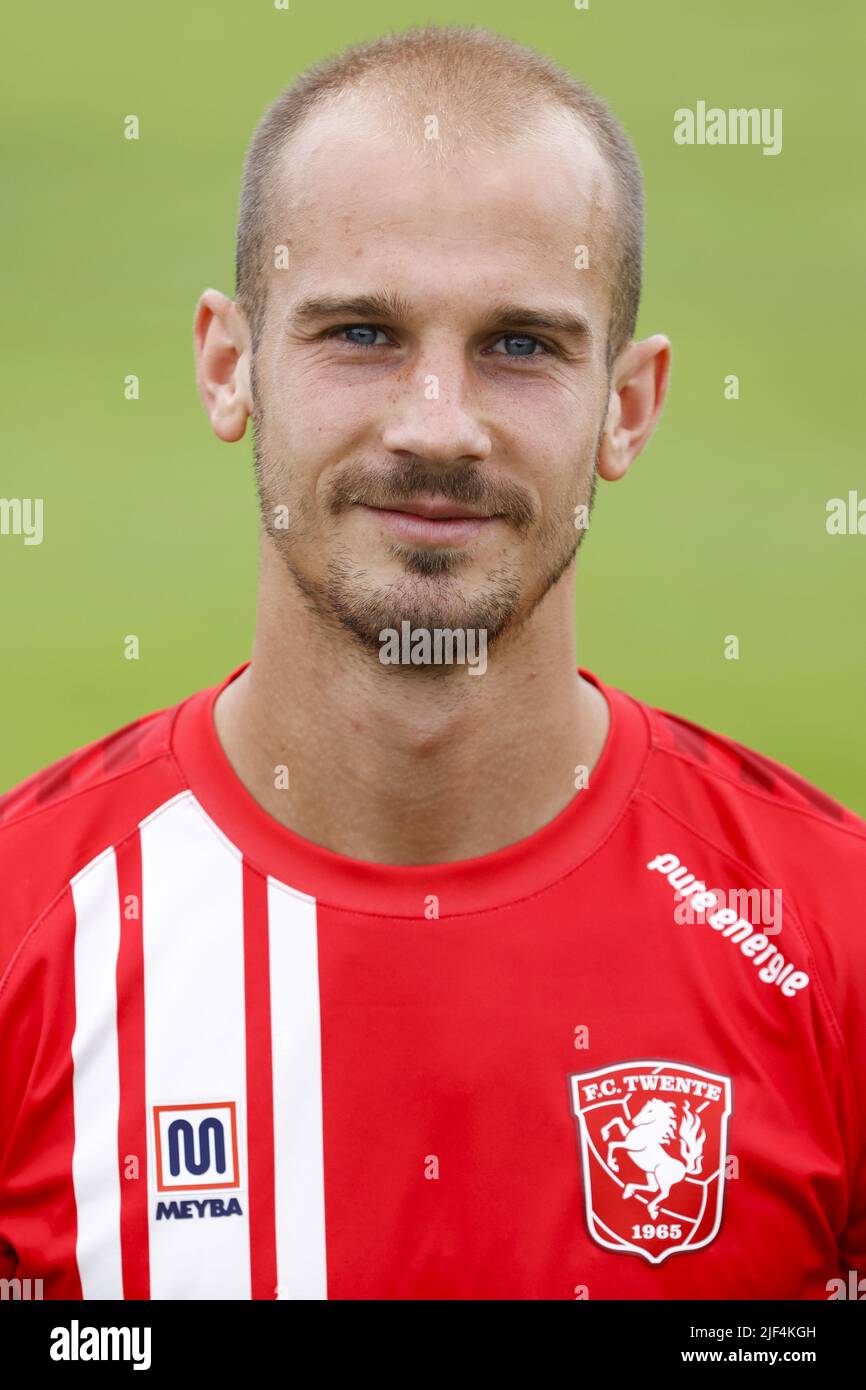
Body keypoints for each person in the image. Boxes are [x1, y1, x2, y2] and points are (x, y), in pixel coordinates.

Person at [1, 24, 863, 1301]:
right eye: (359, 332)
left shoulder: (825, 938)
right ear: (227, 363)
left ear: (627, 405)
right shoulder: (30, 932)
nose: (436, 425)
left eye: (520, 345)